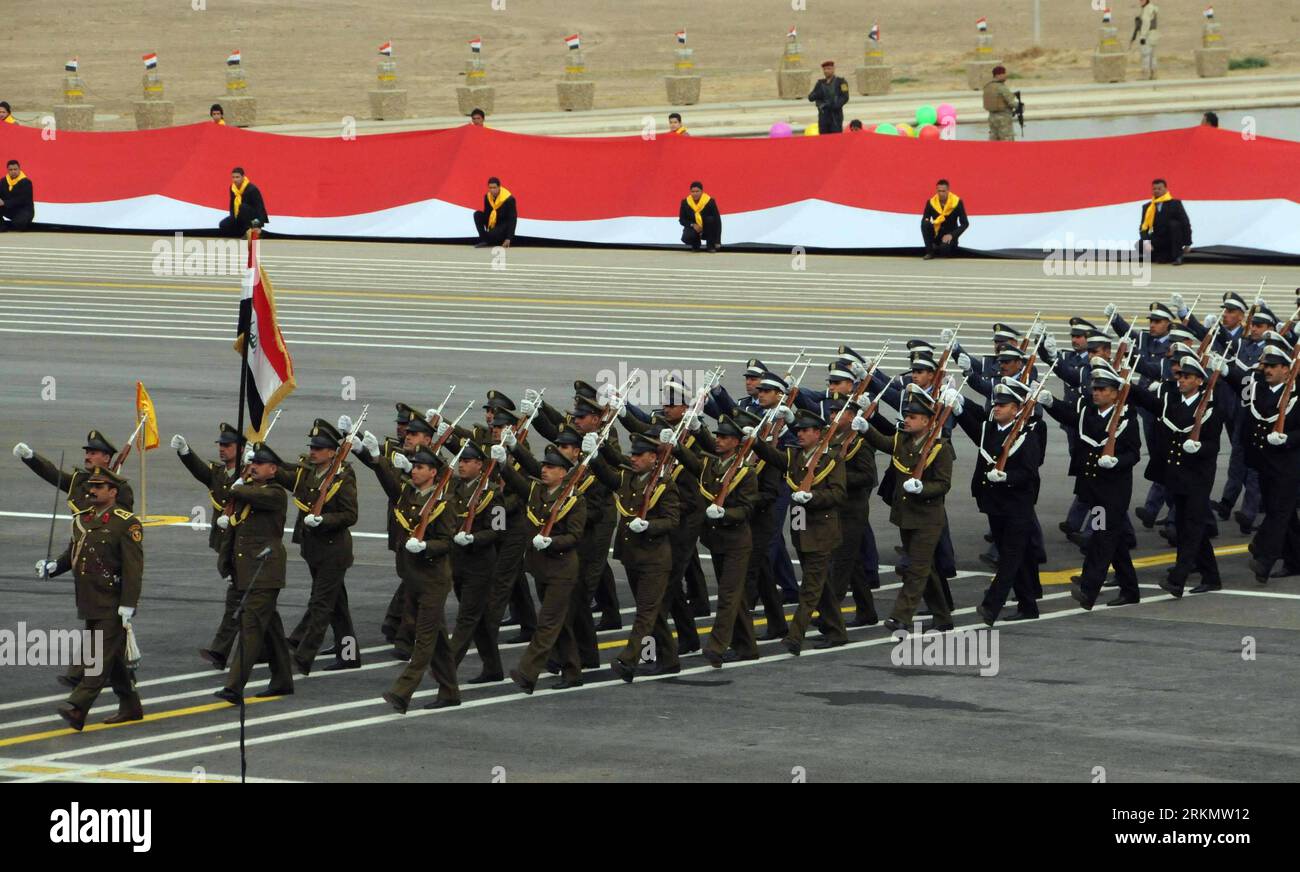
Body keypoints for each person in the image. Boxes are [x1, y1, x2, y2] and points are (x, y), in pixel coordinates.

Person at [36, 468, 144, 731]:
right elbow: (75, 550)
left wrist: (129, 603)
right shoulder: (83, 519)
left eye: (99, 486)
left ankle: (78, 708)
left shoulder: (125, 522)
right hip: (89, 599)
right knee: (113, 658)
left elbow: (133, 567)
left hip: (112, 601)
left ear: (113, 492)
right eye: (91, 485)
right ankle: (130, 705)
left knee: (97, 657)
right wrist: (54, 567)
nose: (91, 490)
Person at [857, 388, 955, 633]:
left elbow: (943, 484)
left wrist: (922, 488)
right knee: (926, 569)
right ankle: (942, 616)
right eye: (907, 416)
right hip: (906, 516)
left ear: (926, 421)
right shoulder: (904, 440)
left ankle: (901, 617)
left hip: (928, 519)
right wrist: (866, 428)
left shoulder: (939, 448)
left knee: (916, 570)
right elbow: (886, 443)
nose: (907, 420)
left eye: (912, 417)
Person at [1128, 353, 1226, 596]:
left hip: (1197, 478)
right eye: (1180, 376)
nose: (1181, 380)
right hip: (1176, 476)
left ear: (1199, 381)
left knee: (1191, 529)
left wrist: (1200, 447)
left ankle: (1177, 580)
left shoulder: (1210, 409)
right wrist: (1126, 385)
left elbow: (1214, 445)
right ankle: (1211, 577)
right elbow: (1149, 401)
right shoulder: (1173, 402)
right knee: (1190, 527)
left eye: (1188, 377)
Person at [274, 418, 361, 674]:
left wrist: (324, 520)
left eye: (319, 448)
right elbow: (289, 476)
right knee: (337, 605)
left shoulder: (342, 477)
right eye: (312, 446)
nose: (313, 451)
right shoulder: (310, 471)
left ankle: (303, 656)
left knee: (321, 604)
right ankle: (349, 654)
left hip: (334, 551)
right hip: (314, 550)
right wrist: (264, 461)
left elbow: (350, 515)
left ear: (333, 452)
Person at [215, 442, 295, 705]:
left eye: (259, 464)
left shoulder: (274, 494)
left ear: (273, 469)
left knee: (250, 629)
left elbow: (249, 496)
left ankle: (234, 686)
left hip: (264, 572)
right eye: (253, 463)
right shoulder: (246, 491)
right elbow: (236, 531)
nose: (254, 467)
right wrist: (227, 565)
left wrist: (239, 485)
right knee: (270, 628)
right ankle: (282, 680)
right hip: (246, 572)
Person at [381, 448, 461, 712]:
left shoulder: (444, 503)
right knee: (436, 638)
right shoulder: (411, 495)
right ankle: (449, 691)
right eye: (413, 466)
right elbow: (391, 485)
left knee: (424, 640)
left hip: (434, 580)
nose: (414, 470)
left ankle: (402, 691)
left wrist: (425, 546)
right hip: (414, 578)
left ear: (433, 473)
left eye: (420, 467)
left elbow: (447, 542)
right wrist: (374, 458)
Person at [172, 423, 244, 669]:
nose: (222, 449)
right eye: (221, 445)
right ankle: (272, 648)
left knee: (238, 599)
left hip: (242, 545)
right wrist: (185, 452)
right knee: (256, 605)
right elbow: (201, 471)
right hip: (226, 544)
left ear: (241, 448)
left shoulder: (249, 474)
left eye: (227, 445)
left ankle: (220, 651)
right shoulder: (221, 473)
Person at [1137, 178, 1191, 265]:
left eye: (1159, 188)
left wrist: (1188, 244)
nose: (1156, 191)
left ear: (1165, 189)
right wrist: (1146, 242)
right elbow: (1143, 227)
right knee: (1140, 244)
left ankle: (1178, 256)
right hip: (1158, 237)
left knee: (1174, 224)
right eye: (1154, 189)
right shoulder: (1147, 207)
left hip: (1173, 238)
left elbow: (1185, 223)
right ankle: (1160, 255)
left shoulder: (1175, 203)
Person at [920, 179, 969, 259]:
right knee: (925, 224)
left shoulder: (957, 202)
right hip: (937, 235)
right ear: (936, 191)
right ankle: (929, 252)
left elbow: (965, 224)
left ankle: (938, 247)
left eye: (943, 191)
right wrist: (927, 221)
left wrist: (952, 235)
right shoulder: (931, 202)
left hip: (949, 236)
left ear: (948, 191)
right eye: (939, 191)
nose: (941, 193)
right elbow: (925, 219)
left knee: (944, 250)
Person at [219, 167, 268, 238]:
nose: (235, 180)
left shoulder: (252, 189)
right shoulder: (232, 188)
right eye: (233, 177)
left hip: (252, 218)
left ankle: (256, 231)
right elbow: (232, 204)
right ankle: (243, 232)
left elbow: (259, 209)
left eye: (237, 177)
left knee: (243, 207)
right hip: (238, 216)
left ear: (243, 177)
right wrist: (233, 219)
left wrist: (257, 226)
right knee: (223, 225)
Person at [473, 176, 515, 248]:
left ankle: (489, 238)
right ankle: (484, 240)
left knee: (492, 234)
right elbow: (487, 213)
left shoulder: (509, 199)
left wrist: (509, 238)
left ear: (499, 187)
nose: (492, 190)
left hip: (503, 224)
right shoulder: (487, 197)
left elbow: (512, 219)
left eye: (494, 188)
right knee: (477, 214)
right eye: (490, 188)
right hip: (493, 223)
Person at [679, 180, 721, 252]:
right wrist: (693, 225)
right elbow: (682, 220)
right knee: (687, 236)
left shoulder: (710, 201)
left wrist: (718, 241)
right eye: (693, 191)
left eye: (697, 191)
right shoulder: (685, 202)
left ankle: (710, 246)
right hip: (694, 228)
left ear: (702, 192)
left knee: (710, 219)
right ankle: (696, 245)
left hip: (707, 228)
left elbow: (718, 221)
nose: (695, 194)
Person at [808, 61, 849, 134]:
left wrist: (836, 105)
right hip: (823, 115)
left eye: (828, 69)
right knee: (824, 138)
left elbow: (845, 97)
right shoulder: (820, 83)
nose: (826, 71)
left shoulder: (841, 82)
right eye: (824, 69)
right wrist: (818, 94)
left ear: (833, 69)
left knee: (836, 137)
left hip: (835, 115)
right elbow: (810, 97)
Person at [983, 65, 1017, 141]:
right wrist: (1020, 106)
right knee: (1007, 140)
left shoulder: (988, 86)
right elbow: (1011, 103)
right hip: (1003, 118)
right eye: (1004, 74)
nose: (1005, 76)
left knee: (994, 140)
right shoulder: (1001, 87)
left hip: (992, 118)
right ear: (998, 75)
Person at [1, 159, 34, 232]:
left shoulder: (26, 182)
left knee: (18, 224)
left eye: (15, 169)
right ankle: (2, 226)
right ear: (8, 170)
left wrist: (4, 203)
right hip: (9, 208)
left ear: (19, 169)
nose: (13, 171)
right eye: (11, 169)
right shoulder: (3, 181)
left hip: (23, 210)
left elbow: (23, 199)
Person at [1133, 0, 1160, 80]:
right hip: (1153, 34)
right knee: (1152, 55)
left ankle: (1145, 75)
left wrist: (1142, 37)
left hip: (1148, 35)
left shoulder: (1147, 9)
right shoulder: (1152, 8)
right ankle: (1154, 74)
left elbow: (1146, 23)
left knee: (1145, 55)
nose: (1140, 2)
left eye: (1142, 0)